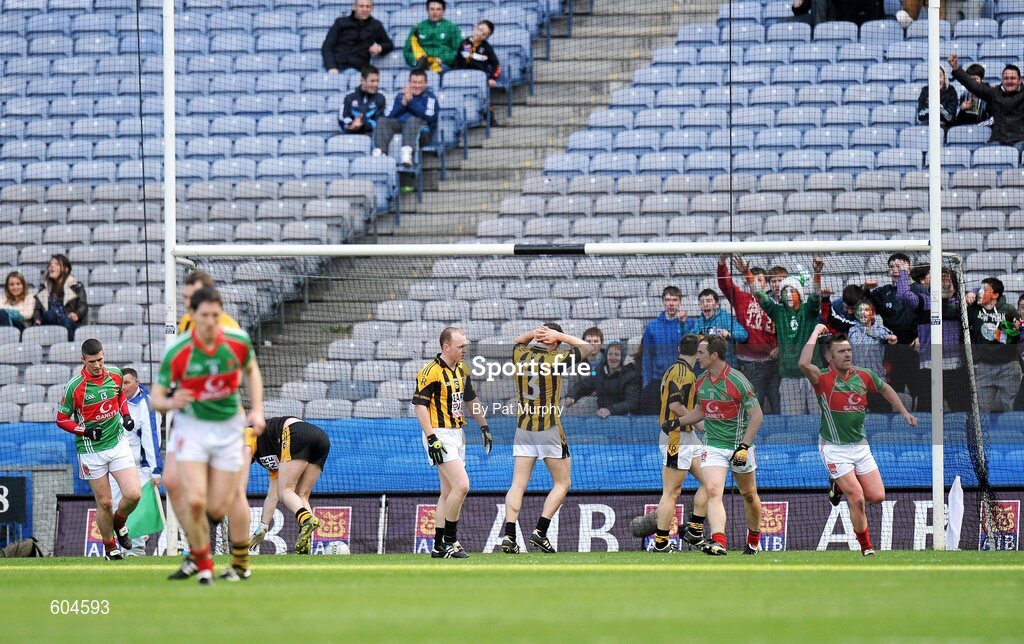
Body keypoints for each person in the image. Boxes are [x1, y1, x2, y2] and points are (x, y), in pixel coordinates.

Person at [151, 287, 265, 585]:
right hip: (193, 430)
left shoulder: (236, 341)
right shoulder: (178, 350)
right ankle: (203, 563)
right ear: (192, 314)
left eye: (216, 314)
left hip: (228, 428)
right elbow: (156, 398)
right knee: (196, 500)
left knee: (217, 506)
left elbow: (251, 370)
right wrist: (171, 402)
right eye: (205, 315)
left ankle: (235, 562)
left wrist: (258, 410)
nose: (212, 321)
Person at [799, 324, 918, 556]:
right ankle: (866, 547)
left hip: (860, 446)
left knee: (877, 497)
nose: (848, 354)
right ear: (829, 357)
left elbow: (886, 389)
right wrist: (814, 332)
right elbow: (803, 363)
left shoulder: (863, 375)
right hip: (834, 448)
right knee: (857, 497)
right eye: (841, 351)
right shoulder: (822, 379)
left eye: (849, 350)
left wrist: (904, 412)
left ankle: (836, 483)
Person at [501, 323, 594, 554]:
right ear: (555, 342)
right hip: (548, 427)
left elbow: (517, 342)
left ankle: (510, 537)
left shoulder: (520, 355)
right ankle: (540, 532)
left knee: (518, 484)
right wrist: (559, 336)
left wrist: (534, 334)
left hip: (523, 427)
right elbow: (588, 347)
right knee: (563, 483)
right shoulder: (556, 360)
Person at [672, 336, 764, 556]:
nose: (697, 356)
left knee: (749, 494)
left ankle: (753, 539)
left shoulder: (738, 380)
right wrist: (676, 422)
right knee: (713, 490)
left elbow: (757, 416)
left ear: (714, 356)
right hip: (712, 444)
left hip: (739, 447)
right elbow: (700, 412)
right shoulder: (701, 381)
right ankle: (719, 541)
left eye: (701, 353)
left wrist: (743, 446)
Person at [55, 339, 141, 560]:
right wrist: (85, 431)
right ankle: (110, 548)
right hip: (91, 450)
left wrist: (126, 415)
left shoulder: (115, 374)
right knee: (105, 502)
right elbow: (61, 419)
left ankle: (119, 522)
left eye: (100, 360)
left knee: (133, 494)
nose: (97, 365)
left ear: (104, 356)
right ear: (83, 360)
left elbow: (119, 395)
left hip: (117, 443)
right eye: (92, 361)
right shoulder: (75, 387)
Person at [412, 326, 489, 558]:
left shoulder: (462, 369)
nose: (465, 349)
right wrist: (431, 437)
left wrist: (484, 425)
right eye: (460, 346)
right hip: (439, 434)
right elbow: (419, 406)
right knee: (462, 485)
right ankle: (451, 540)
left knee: (447, 492)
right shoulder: (430, 372)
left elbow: (470, 398)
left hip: (457, 433)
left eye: (465, 345)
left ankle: (438, 545)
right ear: (446, 347)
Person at [653, 334, 709, 553]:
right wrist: (699, 425)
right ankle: (661, 543)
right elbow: (676, 405)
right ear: (698, 352)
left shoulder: (674, 370)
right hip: (676, 436)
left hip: (687, 437)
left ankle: (693, 530)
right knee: (671, 492)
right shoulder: (683, 373)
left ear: (679, 349)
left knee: (712, 482)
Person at [245, 417, 332, 556]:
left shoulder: (248, 432)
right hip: (320, 438)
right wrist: (263, 526)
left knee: (286, 490)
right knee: (300, 495)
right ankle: (305, 545)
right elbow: (273, 496)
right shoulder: (272, 458)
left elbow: (242, 461)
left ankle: (307, 520)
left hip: (295, 432)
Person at [755, 257, 824, 415]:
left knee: (819, 419)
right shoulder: (779, 313)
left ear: (799, 293)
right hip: (789, 377)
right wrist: (746, 272)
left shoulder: (809, 310)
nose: (788, 295)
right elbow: (761, 296)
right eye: (785, 291)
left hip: (813, 376)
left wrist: (817, 273)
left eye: (791, 291)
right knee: (793, 423)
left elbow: (815, 296)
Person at [898, 266, 970, 413]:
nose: (945, 284)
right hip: (929, 368)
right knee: (925, 413)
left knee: (963, 412)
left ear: (955, 287)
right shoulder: (925, 302)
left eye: (948, 280)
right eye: (941, 280)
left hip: (955, 369)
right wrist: (904, 273)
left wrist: (973, 294)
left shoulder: (961, 306)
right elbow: (903, 296)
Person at [718, 256, 780, 414]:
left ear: (765, 283)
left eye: (760, 280)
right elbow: (724, 284)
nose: (757, 283)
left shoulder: (774, 303)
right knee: (754, 408)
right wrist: (722, 263)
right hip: (751, 364)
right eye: (754, 279)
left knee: (778, 405)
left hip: (774, 363)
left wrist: (780, 347)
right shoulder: (741, 299)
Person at [109, 367, 161, 556]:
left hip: (139, 468)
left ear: (137, 383)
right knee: (114, 508)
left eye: (127, 383)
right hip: (114, 465)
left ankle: (135, 552)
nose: (123, 387)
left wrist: (155, 470)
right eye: (120, 383)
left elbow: (152, 438)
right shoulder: (113, 403)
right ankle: (113, 550)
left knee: (134, 510)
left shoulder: (146, 405)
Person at [865, 253, 924, 407]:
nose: (895, 269)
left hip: (916, 349)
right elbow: (863, 308)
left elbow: (929, 316)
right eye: (892, 267)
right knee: (893, 389)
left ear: (908, 269)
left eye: (899, 266)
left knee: (919, 389)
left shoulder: (919, 289)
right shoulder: (882, 292)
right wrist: (865, 289)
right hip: (891, 350)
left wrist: (922, 337)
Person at [967, 277, 1021, 412]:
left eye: (984, 290)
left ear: (995, 295)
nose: (980, 292)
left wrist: (1015, 329)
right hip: (984, 367)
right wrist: (970, 293)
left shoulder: (1008, 309)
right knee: (980, 410)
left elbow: (1019, 331)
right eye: (980, 289)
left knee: (1011, 409)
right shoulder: (973, 309)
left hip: (1009, 366)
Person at [950, 55, 1024, 151]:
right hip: (998, 140)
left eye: (1013, 78)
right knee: (983, 153)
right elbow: (973, 85)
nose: (1009, 81)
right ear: (1002, 80)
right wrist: (956, 68)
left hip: (1021, 141)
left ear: (1019, 80)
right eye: (1006, 78)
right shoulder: (994, 93)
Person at [373, 69, 439, 166]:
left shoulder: (430, 97)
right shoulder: (400, 96)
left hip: (423, 133)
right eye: (414, 82)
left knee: (413, 119)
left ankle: (407, 154)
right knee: (382, 121)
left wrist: (411, 102)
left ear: (426, 83)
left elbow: (430, 117)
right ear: (409, 82)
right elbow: (388, 115)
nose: (417, 86)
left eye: (420, 83)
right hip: (401, 126)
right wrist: (403, 103)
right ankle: (380, 152)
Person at [563, 340, 640, 416]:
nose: (613, 357)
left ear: (622, 357)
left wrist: (610, 411)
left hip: (624, 418)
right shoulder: (599, 372)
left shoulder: (631, 375)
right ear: (606, 356)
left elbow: (631, 402)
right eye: (610, 354)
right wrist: (571, 396)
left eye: (617, 354)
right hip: (602, 417)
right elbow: (582, 386)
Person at [641, 286, 685, 409]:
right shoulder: (652, 326)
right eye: (667, 300)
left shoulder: (688, 324)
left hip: (682, 382)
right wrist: (647, 384)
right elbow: (647, 357)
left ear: (680, 302)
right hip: (659, 381)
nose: (671, 304)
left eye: (675, 300)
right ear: (663, 301)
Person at [322, 0, 393, 74]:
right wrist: (331, 67)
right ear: (354, 7)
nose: (364, 9)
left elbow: (389, 44)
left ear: (372, 9)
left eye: (367, 6)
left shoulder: (376, 25)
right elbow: (327, 46)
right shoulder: (340, 22)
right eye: (361, 6)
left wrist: (380, 48)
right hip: (334, 66)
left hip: (357, 69)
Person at [681, 288, 749, 366]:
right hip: (708, 366)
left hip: (727, 366)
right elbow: (689, 340)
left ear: (717, 304)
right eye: (702, 302)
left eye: (709, 301)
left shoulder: (726, 318)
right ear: (699, 306)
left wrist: (728, 334)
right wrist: (683, 323)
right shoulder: (699, 322)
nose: (705, 304)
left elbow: (744, 335)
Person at [847, 300, 897, 406]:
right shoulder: (852, 330)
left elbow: (889, 336)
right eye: (860, 310)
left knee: (882, 416)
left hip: (877, 381)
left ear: (873, 313)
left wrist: (891, 338)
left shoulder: (881, 330)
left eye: (866, 310)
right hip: (857, 382)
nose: (863, 313)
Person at [403, 0, 461, 73]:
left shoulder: (452, 28)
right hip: (421, 66)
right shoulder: (418, 28)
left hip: (443, 66)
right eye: (432, 9)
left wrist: (444, 59)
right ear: (427, 10)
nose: (435, 12)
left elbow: (458, 50)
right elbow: (407, 50)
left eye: (438, 9)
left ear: (444, 11)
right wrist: (417, 60)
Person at [36, 254, 87, 337]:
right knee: (50, 314)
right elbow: (37, 309)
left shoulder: (77, 286)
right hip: (50, 323)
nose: (51, 266)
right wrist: (37, 319)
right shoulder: (43, 288)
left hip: (68, 322)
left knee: (67, 321)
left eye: (56, 264)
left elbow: (83, 305)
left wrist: (77, 314)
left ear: (66, 269)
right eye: (50, 265)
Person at [339, 65, 387, 135]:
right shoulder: (349, 96)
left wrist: (363, 123)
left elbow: (382, 121)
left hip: (372, 134)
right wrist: (352, 123)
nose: (376, 84)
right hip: (351, 134)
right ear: (363, 80)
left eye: (377, 81)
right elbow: (342, 117)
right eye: (372, 81)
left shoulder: (381, 97)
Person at [454, 20, 501, 89]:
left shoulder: (487, 48)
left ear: (488, 37)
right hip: (461, 76)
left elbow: (496, 65)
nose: (480, 34)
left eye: (485, 34)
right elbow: (457, 61)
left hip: (479, 78)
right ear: (475, 27)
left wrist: (492, 78)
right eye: (480, 30)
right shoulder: (463, 43)